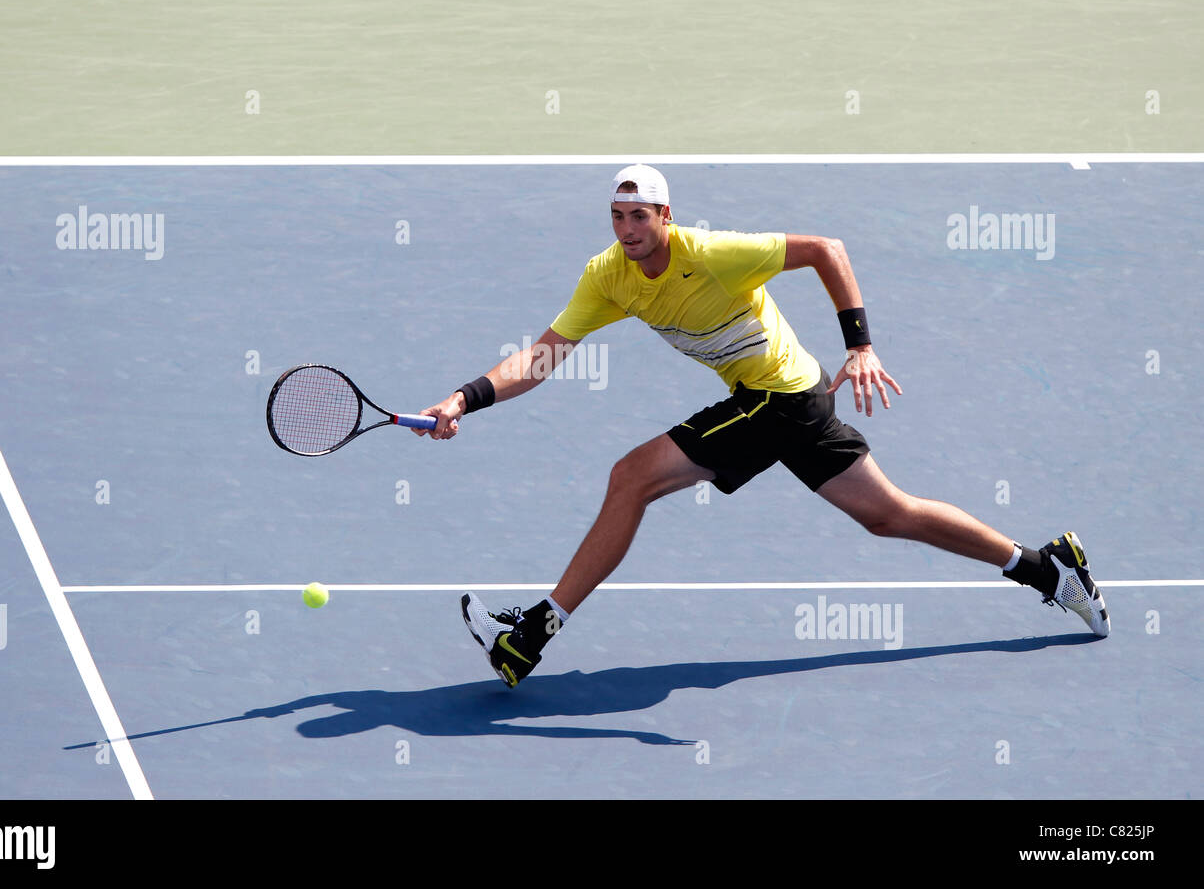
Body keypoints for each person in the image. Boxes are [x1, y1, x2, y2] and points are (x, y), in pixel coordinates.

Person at [416, 165, 1109, 689]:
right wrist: (463, 399)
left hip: (778, 397)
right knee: (889, 514)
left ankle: (529, 637)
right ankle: (1048, 569)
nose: (626, 229)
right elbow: (541, 358)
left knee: (630, 478)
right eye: (616, 215)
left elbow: (826, 250)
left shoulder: (712, 253)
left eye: (638, 216)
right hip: (795, 399)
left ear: (665, 215)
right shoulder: (608, 277)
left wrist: (860, 346)